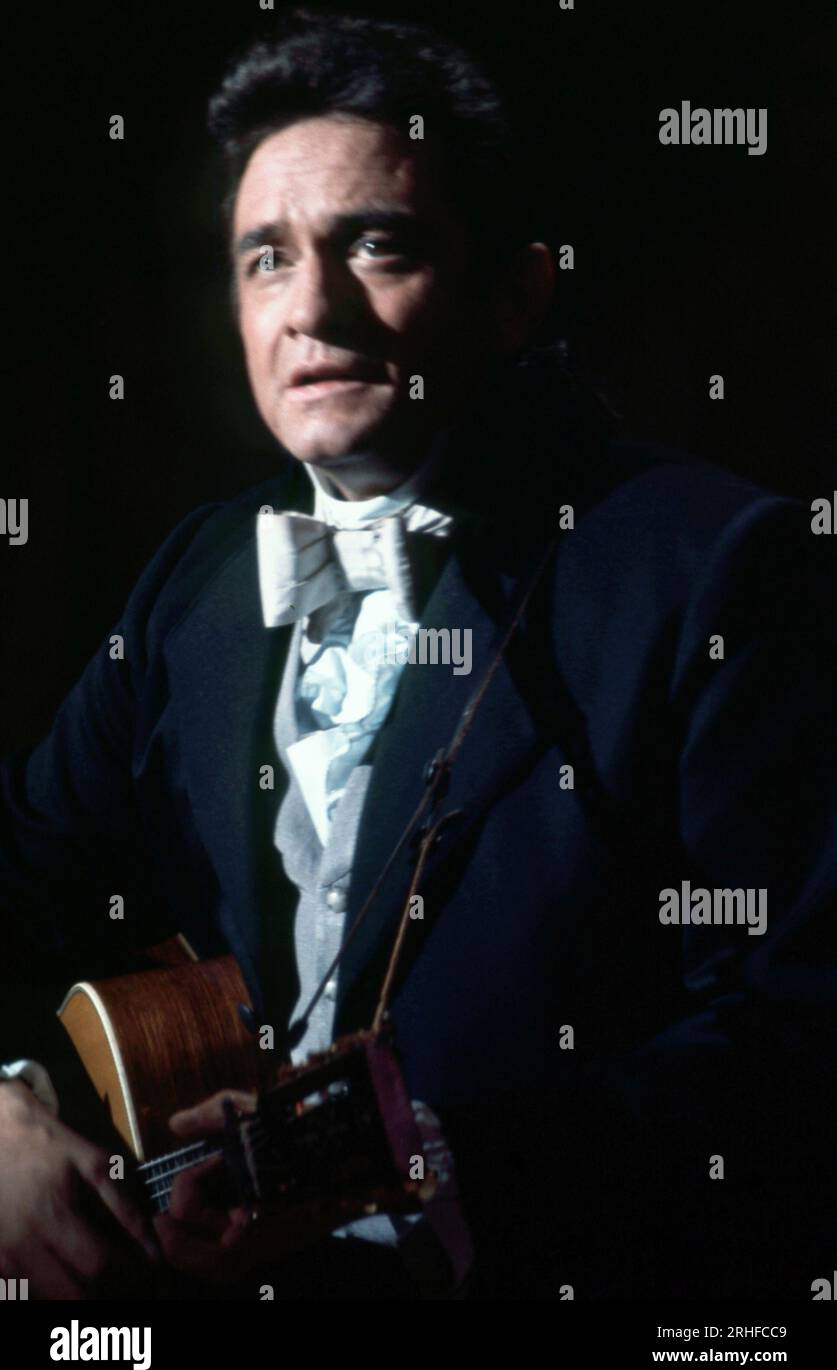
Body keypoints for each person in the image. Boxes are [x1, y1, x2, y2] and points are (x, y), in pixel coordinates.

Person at [1, 8, 835, 1301]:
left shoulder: (718, 562)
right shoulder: (195, 580)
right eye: (266, 259)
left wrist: (442, 1166)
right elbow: (19, 872)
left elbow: (802, 1023)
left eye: (376, 245)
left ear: (516, 292)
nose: (313, 308)